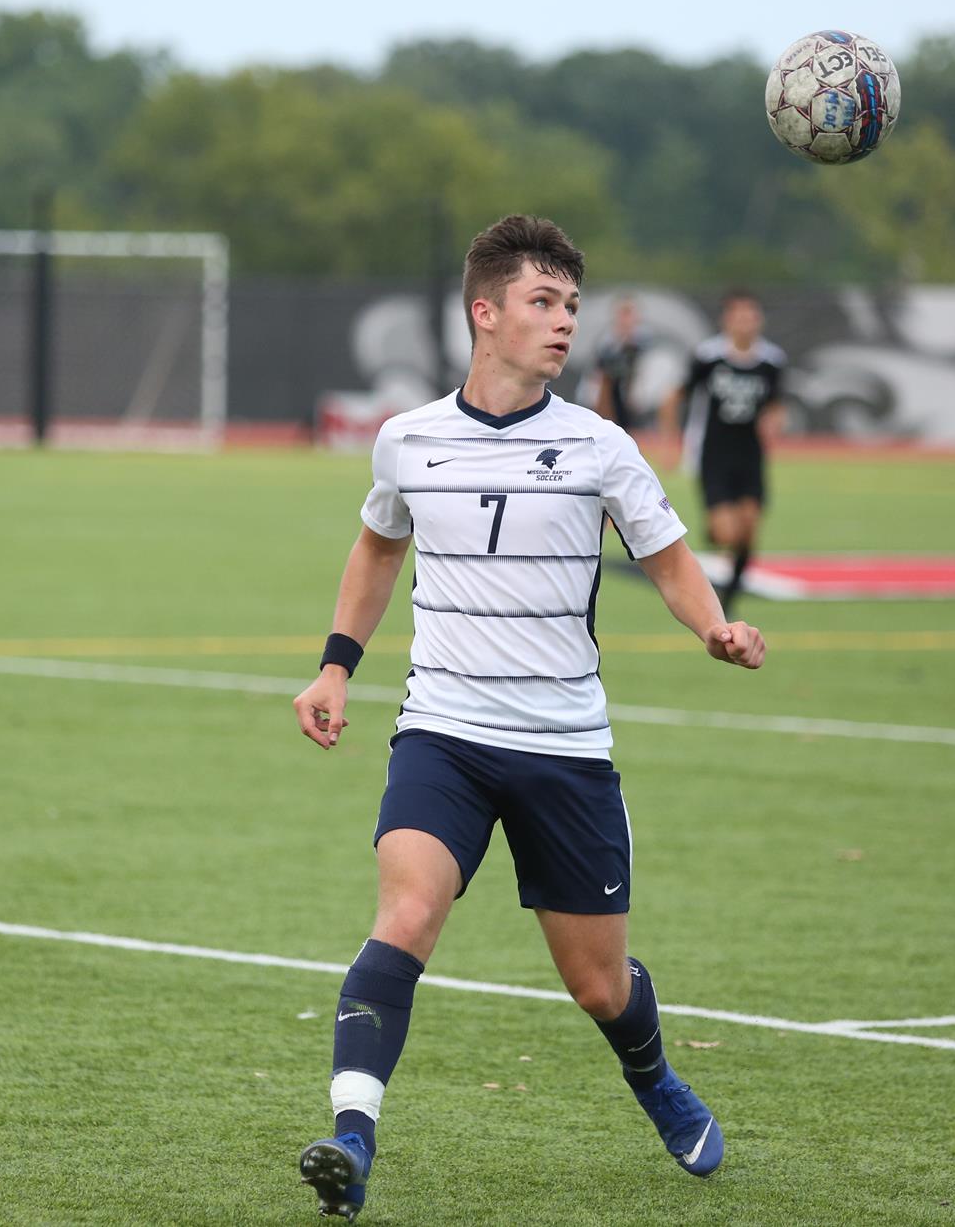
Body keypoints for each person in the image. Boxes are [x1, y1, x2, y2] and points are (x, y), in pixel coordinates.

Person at [290, 216, 765, 1221]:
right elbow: (378, 548)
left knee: (597, 986)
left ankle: (657, 1083)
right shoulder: (407, 439)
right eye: (542, 304)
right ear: (485, 312)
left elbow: (667, 558)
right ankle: (350, 1136)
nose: (562, 324)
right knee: (406, 909)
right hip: (443, 734)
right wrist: (336, 667)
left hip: (562, 749)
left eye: (570, 308)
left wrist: (713, 626)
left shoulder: (599, 446)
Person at [659, 289, 786, 618]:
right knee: (726, 532)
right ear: (727, 320)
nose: (745, 322)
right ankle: (713, 532)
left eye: (751, 315)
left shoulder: (771, 361)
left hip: (750, 455)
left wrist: (774, 422)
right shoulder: (709, 357)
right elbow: (674, 397)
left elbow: (775, 403)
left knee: (748, 531)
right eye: (739, 316)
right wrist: (670, 443)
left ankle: (729, 594)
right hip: (714, 453)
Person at [586, 293, 649, 430]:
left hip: (638, 407)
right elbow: (596, 386)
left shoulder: (645, 345)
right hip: (610, 407)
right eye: (623, 313)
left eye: (630, 313)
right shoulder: (606, 346)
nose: (626, 319)